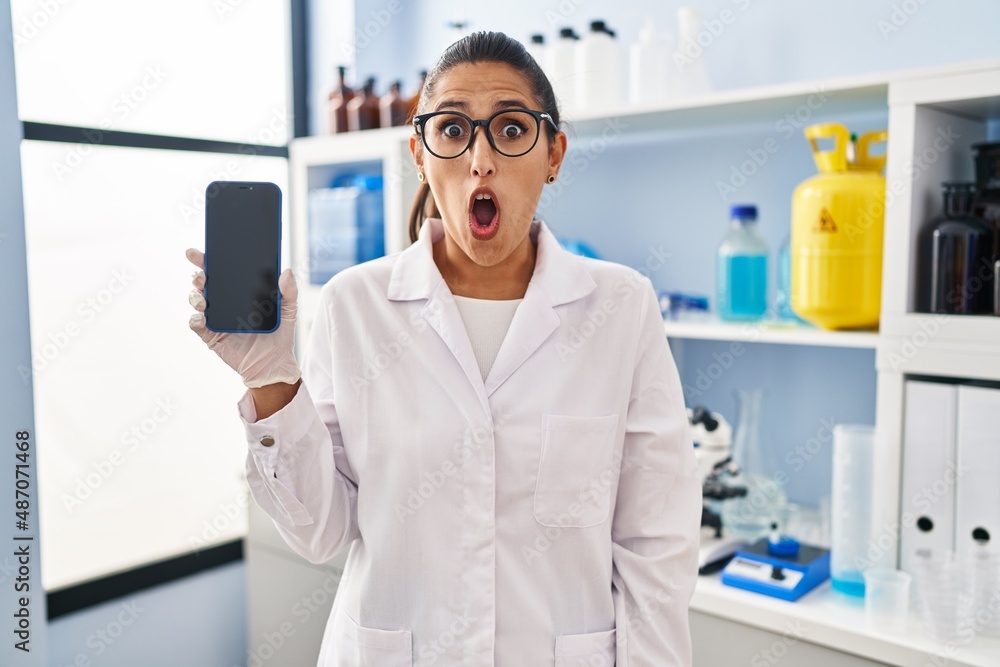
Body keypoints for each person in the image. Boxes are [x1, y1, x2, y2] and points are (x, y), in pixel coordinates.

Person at [186, 30, 700, 667]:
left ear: (554, 154)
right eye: (453, 130)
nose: (480, 159)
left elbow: (656, 545)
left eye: (511, 130)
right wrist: (271, 381)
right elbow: (320, 531)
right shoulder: (356, 305)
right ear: (420, 154)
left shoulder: (621, 307)